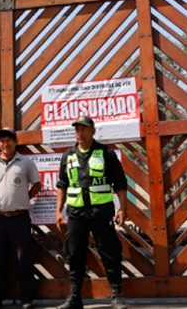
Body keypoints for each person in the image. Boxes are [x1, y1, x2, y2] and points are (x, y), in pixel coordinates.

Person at [54, 115, 129, 309]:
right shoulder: (68, 155)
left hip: (101, 213)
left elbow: (120, 183)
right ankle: (74, 298)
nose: (80, 133)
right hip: (76, 214)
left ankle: (117, 296)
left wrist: (123, 208)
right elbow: (62, 185)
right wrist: (58, 211)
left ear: (93, 131)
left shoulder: (106, 153)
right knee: (75, 255)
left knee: (110, 254)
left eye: (84, 129)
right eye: (77, 129)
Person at [0, 128, 41, 309]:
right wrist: (0, 202)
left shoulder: (25, 162)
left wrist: (23, 198)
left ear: (15, 142)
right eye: (2, 140)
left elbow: (37, 184)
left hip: (19, 218)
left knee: (24, 259)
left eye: (9, 140)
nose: (5, 144)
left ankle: (26, 298)